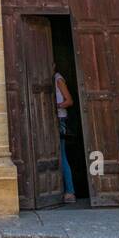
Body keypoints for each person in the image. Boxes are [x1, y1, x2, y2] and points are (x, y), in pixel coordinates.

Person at [54, 70, 77, 203]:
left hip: (60, 120)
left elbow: (69, 101)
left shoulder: (58, 79)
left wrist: (56, 106)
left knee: (61, 155)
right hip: (52, 119)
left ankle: (70, 192)